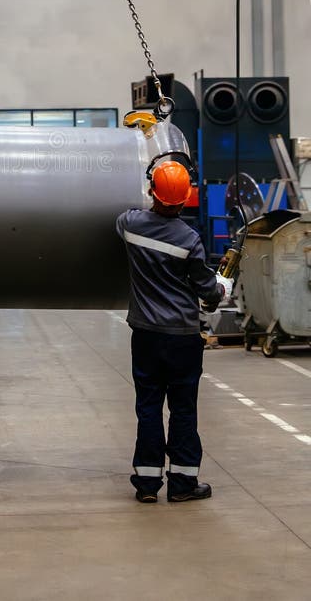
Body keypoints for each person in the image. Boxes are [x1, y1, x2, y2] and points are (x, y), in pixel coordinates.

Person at [116, 159, 233, 504]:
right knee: (182, 409)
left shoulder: (130, 226)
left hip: (145, 335)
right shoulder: (189, 240)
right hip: (182, 336)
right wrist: (222, 287)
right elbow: (208, 292)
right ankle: (182, 484)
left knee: (148, 407)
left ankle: (147, 485)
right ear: (184, 200)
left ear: (152, 191)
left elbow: (124, 217)